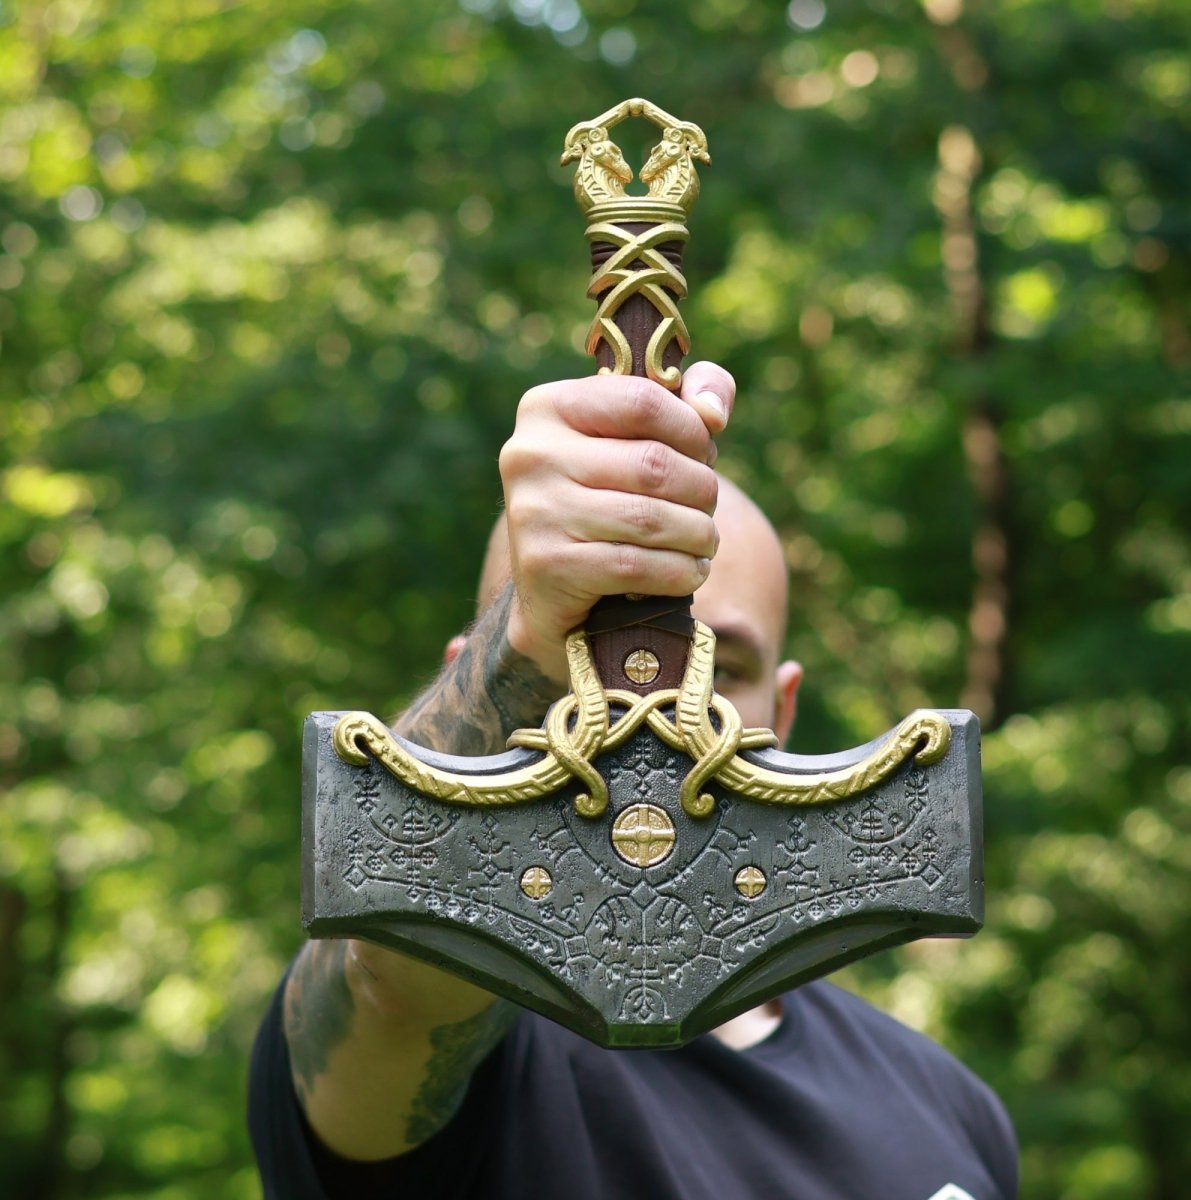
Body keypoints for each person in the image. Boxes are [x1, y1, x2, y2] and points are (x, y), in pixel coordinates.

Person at [249, 364, 1018, 1199]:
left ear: (783, 709)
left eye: (720, 669)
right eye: (577, 654)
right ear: (480, 682)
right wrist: (527, 636)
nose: (657, 715)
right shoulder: (462, 1045)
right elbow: (383, 974)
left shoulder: (948, 1107)